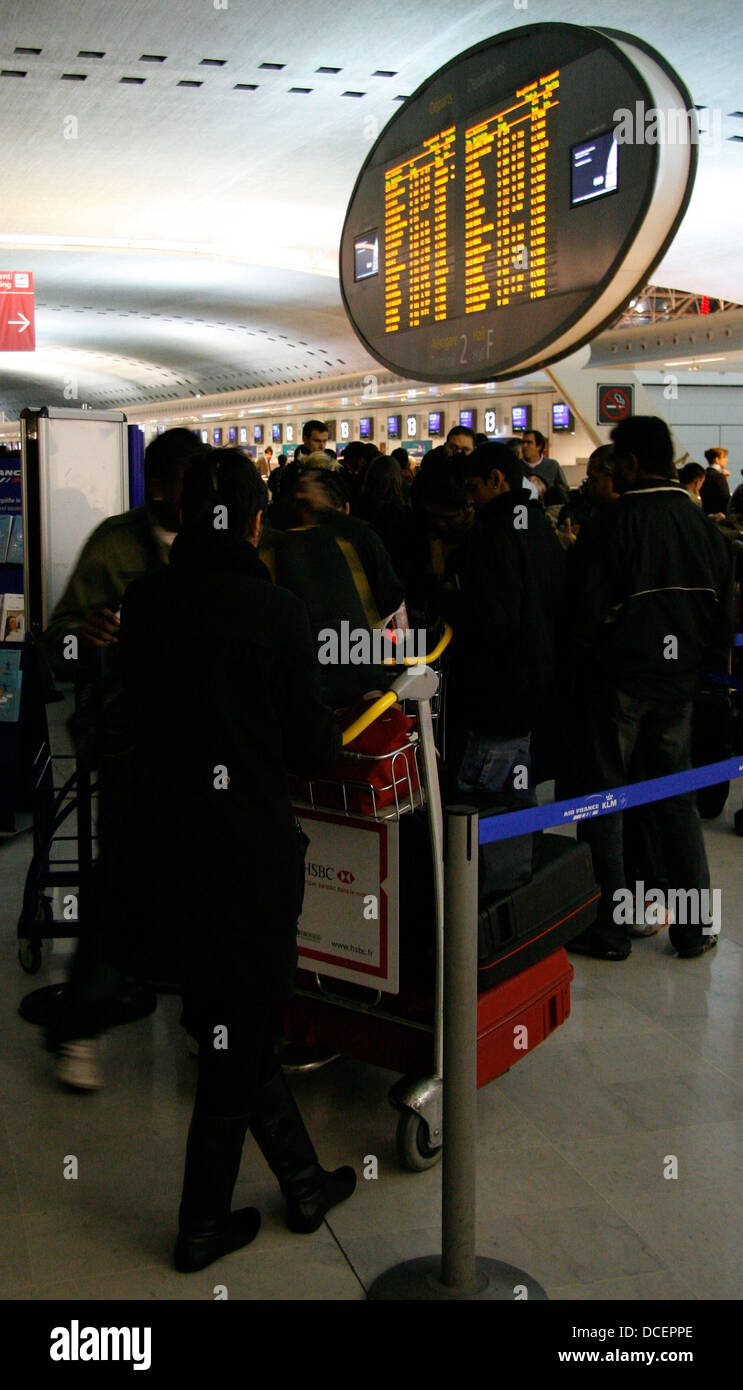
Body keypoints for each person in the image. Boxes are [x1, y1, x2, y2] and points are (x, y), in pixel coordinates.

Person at [119, 451, 355, 1273]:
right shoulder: (275, 612)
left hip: (164, 851)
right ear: (254, 522)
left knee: (231, 1024)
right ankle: (199, 1227)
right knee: (234, 1034)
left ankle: (305, 1183)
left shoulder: (146, 602)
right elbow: (312, 748)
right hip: (245, 854)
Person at [42, 428, 210, 1089]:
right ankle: (78, 1026)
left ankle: (207, 1023)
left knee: (207, 888)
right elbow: (59, 644)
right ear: (153, 486)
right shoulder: (114, 544)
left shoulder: (219, 539)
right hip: (129, 741)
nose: (181, 506)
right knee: (118, 885)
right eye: (169, 493)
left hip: (204, 743)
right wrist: (86, 637)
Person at [569, 416, 734, 961]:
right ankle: (693, 927)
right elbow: (720, 610)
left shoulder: (611, 525)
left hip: (619, 680)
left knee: (606, 797)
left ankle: (611, 926)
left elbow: (583, 614)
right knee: (674, 797)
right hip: (680, 681)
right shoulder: (703, 527)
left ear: (633, 464)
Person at [700, 447, 730, 518]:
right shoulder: (718, 477)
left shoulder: (704, 474)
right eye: (724, 457)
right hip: (719, 516)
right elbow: (725, 497)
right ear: (717, 459)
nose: (726, 460)